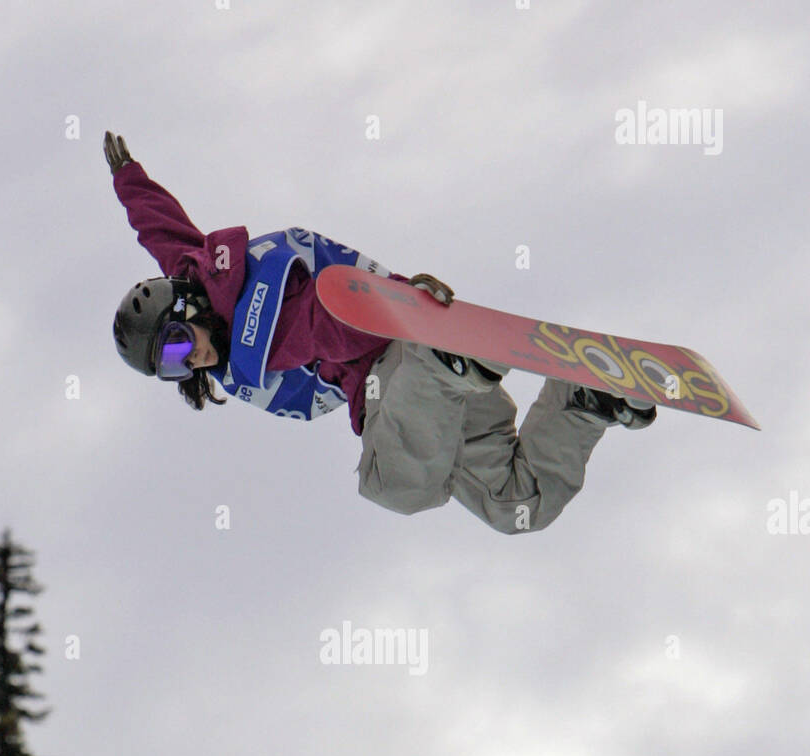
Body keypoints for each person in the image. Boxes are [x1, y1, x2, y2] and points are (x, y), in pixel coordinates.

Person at [106, 132, 655, 536]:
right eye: (175, 368)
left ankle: (440, 362)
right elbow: (161, 230)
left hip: (391, 379)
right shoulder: (209, 307)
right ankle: (583, 402)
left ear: (187, 303)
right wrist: (127, 178)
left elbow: (333, 322)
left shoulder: (247, 292)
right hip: (426, 413)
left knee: (392, 487)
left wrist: (407, 313)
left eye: (180, 344)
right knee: (517, 506)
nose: (192, 362)